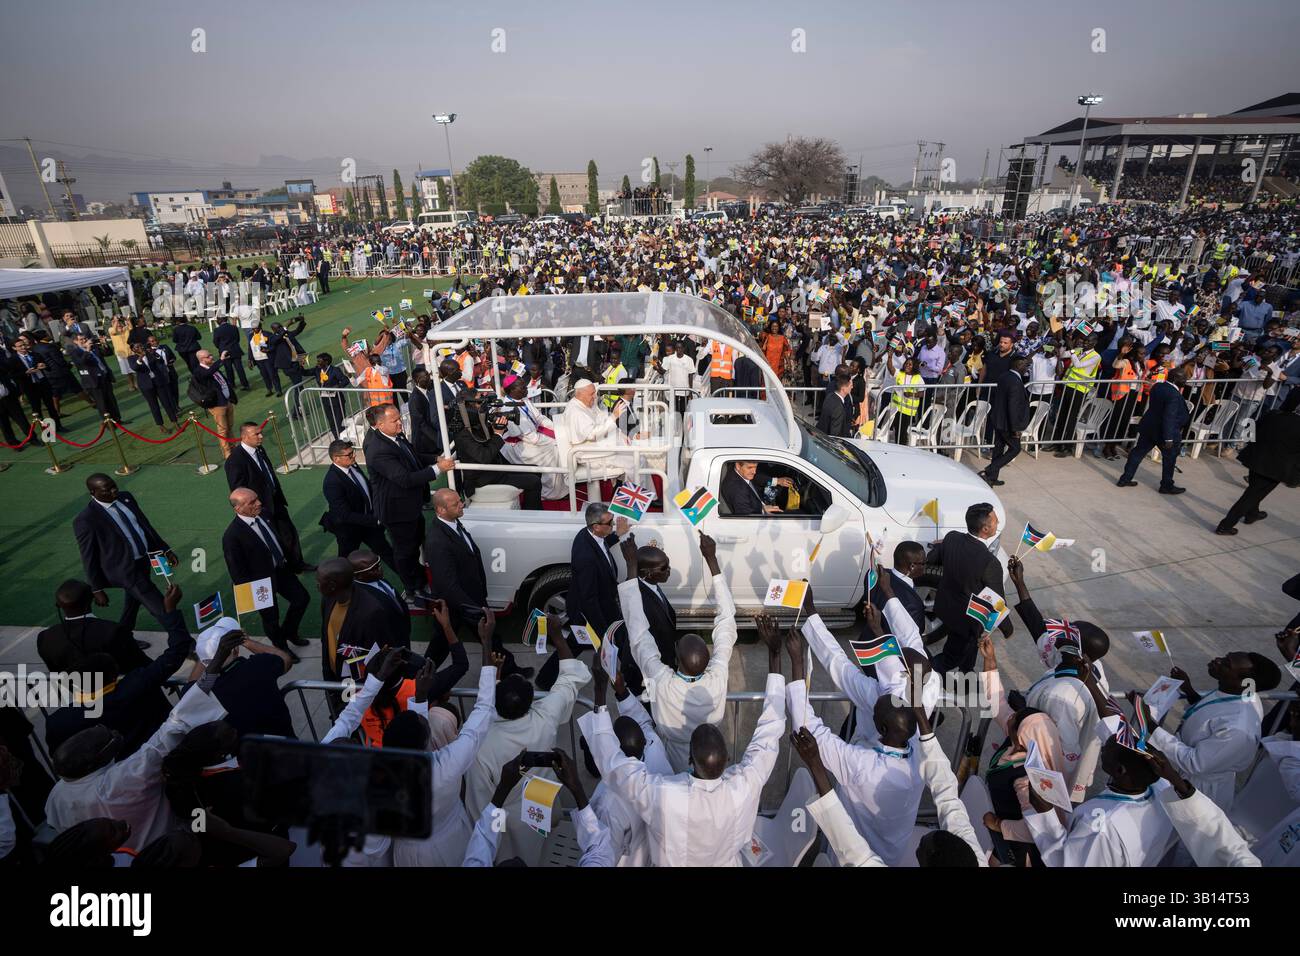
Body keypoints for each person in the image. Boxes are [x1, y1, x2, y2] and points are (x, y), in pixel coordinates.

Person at [575, 615, 784, 867]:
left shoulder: (663, 794)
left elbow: (613, 766)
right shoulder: (745, 785)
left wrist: (600, 690)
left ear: (689, 760)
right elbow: (770, 732)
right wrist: (775, 655)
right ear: (728, 757)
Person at [43, 629, 234, 853]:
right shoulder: (131, 774)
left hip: (128, 857)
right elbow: (179, 720)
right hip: (173, 849)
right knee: (203, 817)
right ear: (93, 763)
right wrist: (217, 661)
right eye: (107, 741)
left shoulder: (57, 797)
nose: (112, 734)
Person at [465, 614, 589, 862]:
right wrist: (557, 636)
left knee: (505, 853)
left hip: (503, 818)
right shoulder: (545, 716)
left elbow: (479, 805)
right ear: (532, 702)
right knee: (534, 850)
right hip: (539, 804)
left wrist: (487, 643)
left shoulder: (481, 743)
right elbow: (569, 680)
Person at [618, 530, 737, 772]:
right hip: (709, 759)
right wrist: (712, 561)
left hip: (671, 762)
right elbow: (726, 622)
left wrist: (630, 567)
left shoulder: (662, 682)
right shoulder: (718, 677)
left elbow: (638, 634)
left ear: (678, 661)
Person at [44, 582, 191, 757]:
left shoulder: (59, 721)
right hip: (151, 735)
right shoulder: (114, 635)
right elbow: (159, 659)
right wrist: (171, 612)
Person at [1149, 651, 1280, 812]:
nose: (1217, 660)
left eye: (1226, 664)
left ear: (1245, 682)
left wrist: (1149, 725)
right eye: (1225, 657)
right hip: (1186, 778)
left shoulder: (1238, 729)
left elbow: (1194, 762)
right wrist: (1190, 691)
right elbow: (1213, 713)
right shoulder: (1241, 694)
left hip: (1201, 792)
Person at [1023, 731, 1177, 867]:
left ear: (1119, 770)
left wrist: (1046, 815)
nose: (1102, 749)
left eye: (1106, 749)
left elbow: (1067, 862)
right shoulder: (1161, 787)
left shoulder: (1101, 826)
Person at [578, 655, 673, 866]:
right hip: (656, 849)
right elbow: (642, 720)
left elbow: (601, 848)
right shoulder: (652, 745)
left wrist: (577, 793)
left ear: (616, 752)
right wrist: (620, 690)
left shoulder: (610, 801)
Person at [422, 488, 524, 677]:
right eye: (456, 504)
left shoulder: (453, 524)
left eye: (460, 501)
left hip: (468, 599)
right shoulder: (438, 541)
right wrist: (475, 608)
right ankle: (420, 677)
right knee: (442, 646)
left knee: (488, 639)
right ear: (441, 510)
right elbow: (447, 584)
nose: (461, 505)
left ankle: (510, 669)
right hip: (459, 604)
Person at [361, 402, 454, 603]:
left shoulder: (395, 436)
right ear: (378, 424)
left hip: (410, 506)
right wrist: (439, 469)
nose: (400, 424)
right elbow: (404, 479)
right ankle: (413, 589)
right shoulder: (378, 449)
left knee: (415, 544)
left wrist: (434, 458)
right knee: (405, 551)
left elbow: (412, 456)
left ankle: (420, 579)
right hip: (396, 511)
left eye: (399, 419)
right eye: (394, 421)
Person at [464, 748, 612, 867]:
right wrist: (576, 787)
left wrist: (503, 788)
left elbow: (482, 839)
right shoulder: (546, 719)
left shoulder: (480, 752)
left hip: (512, 822)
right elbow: (599, 849)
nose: (516, 860)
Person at [72, 473, 176, 631]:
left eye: (114, 486)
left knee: (132, 603)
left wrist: (165, 549)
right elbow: (88, 556)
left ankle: (122, 637)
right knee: (160, 607)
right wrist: (96, 588)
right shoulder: (86, 519)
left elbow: (144, 526)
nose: (114, 491)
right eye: (107, 490)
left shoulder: (125, 497)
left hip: (143, 560)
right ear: (93, 493)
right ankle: (187, 645)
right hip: (124, 570)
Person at [220, 488, 310, 655]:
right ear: (238, 509)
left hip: (280, 571)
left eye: (257, 498)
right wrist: (250, 592)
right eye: (252, 502)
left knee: (302, 599)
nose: (259, 503)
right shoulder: (232, 536)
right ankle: (281, 647)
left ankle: (289, 632)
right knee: (271, 618)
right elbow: (236, 570)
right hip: (259, 583)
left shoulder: (265, 515)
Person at [927, 502, 1010, 673]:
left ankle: (967, 676)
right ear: (985, 529)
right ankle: (923, 676)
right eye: (995, 520)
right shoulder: (990, 563)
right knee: (951, 658)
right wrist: (1008, 628)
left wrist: (940, 547)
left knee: (969, 652)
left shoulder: (951, 538)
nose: (998, 522)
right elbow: (997, 602)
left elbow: (933, 558)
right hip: (966, 621)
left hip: (945, 607)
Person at [224, 421, 311, 574]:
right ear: (244, 437)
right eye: (256, 434)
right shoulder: (235, 460)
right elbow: (238, 489)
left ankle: (297, 564)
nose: (261, 436)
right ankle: (280, 567)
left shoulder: (259, 450)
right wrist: (254, 506)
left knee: (288, 532)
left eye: (260, 432)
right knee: (270, 539)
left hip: (275, 500)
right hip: (258, 507)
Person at [447, 388, 543, 508]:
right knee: (533, 481)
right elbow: (484, 457)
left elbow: (489, 439)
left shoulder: (476, 423)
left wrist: (498, 426)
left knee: (536, 470)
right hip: (482, 478)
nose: (483, 405)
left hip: (494, 469)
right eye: (479, 402)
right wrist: (498, 434)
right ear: (468, 406)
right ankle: (532, 515)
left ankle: (528, 507)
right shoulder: (462, 433)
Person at [38, 579, 152, 676]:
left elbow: (56, 672)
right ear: (91, 601)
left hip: (80, 695)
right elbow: (143, 664)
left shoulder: (44, 638)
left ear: (58, 605)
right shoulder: (114, 631)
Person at [1216, 409, 1300, 535]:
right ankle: (1226, 525)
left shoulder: (1275, 414)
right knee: (1251, 496)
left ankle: (1252, 513)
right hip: (1274, 468)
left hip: (1256, 458)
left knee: (1254, 490)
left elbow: (1252, 430)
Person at [319, 439, 395, 569]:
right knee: (344, 565)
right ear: (336, 459)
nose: (354, 455)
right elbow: (344, 514)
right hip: (350, 530)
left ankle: (413, 584)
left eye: (352, 452)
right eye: (349, 455)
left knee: (387, 553)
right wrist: (375, 520)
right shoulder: (332, 482)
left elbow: (366, 489)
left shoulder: (352, 465)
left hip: (368, 525)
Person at [1117, 366, 1191, 495]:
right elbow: (1169, 417)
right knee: (1169, 460)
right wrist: (1168, 438)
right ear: (1174, 378)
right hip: (1165, 432)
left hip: (1150, 428)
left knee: (1137, 453)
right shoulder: (1173, 394)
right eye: (1183, 377)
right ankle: (1166, 486)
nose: (1186, 379)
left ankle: (1125, 478)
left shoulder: (1158, 387)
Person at [500, 376, 567, 500]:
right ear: (512, 390)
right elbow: (531, 438)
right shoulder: (508, 408)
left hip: (532, 438)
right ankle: (549, 492)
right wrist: (555, 440)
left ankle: (561, 488)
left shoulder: (524, 399)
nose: (526, 388)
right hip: (519, 446)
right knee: (554, 450)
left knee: (559, 443)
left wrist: (556, 429)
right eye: (522, 387)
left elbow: (540, 418)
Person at [560, 378, 640, 479]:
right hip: (590, 454)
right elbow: (592, 434)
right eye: (592, 394)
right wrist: (613, 417)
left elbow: (601, 417)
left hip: (598, 448)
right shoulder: (575, 411)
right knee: (636, 462)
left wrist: (618, 430)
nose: (595, 397)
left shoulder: (586, 403)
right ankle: (637, 492)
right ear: (581, 395)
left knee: (637, 454)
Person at [980, 354, 1031, 486]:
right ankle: (991, 469)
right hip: (1007, 423)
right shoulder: (1015, 382)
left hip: (998, 419)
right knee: (1015, 449)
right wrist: (1015, 429)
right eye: (1026, 365)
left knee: (999, 448)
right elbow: (1012, 407)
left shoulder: (1005, 376)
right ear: (1019, 365)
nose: (1027, 368)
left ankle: (991, 477)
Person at [868, 541, 927, 633]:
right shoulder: (912, 604)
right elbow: (913, 635)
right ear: (912, 566)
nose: (925, 566)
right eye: (923, 563)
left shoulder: (874, 576)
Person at [191, 349, 237, 459]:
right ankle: (227, 453)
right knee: (222, 430)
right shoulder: (199, 371)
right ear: (202, 359)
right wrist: (220, 360)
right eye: (208, 356)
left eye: (211, 355)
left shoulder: (212, 368)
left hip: (226, 401)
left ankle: (233, 447)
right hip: (217, 405)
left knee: (229, 427)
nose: (211, 357)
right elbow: (208, 373)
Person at [69, 334, 123, 422]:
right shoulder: (75, 352)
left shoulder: (94, 347)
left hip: (105, 377)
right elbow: (81, 362)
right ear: (75, 341)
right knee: (102, 404)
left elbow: (108, 353)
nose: (84, 341)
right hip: (93, 381)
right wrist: (87, 350)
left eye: (85, 338)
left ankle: (118, 420)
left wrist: (104, 344)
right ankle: (109, 424)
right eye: (81, 339)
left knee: (111, 401)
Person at [128, 343, 179, 432]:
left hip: (158, 382)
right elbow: (135, 367)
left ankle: (175, 422)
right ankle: (161, 426)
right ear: (133, 350)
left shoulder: (150, 354)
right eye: (137, 347)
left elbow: (161, 361)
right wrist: (141, 357)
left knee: (167, 403)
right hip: (146, 385)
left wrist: (154, 353)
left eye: (141, 346)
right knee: (154, 406)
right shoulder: (131, 358)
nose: (140, 347)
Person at [719, 459, 791, 515]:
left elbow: (756, 477)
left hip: (759, 504)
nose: (754, 471)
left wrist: (777, 481)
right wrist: (762, 510)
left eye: (755, 467)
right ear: (738, 466)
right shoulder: (737, 490)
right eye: (750, 467)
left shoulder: (737, 471)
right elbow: (746, 516)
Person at [314, 353, 350, 439]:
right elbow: (304, 372)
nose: (317, 363)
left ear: (326, 362)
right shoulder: (317, 370)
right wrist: (299, 364)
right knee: (332, 422)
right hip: (326, 401)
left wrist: (337, 387)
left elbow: (345, 380)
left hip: (336, 401)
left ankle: (344, 441)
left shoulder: (335, 370)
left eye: (319, 361)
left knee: (340, 422)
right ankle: (337, 440)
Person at [211, 316, 249, 391]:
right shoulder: (234, 327)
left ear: (219, 321)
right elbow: (237, 338)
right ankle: (245, 384)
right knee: (239, 368)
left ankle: (232, 385)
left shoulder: (217, 330)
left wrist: (221, 348)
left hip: (225, 352)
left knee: (228, 369)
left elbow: (215, 342)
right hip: (235, 350)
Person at [815, 372, 854, 437]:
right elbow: (835, 434)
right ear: (843, 388)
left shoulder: (830, 396)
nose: (852, 387)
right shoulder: (838, 408)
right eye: (851, 385)